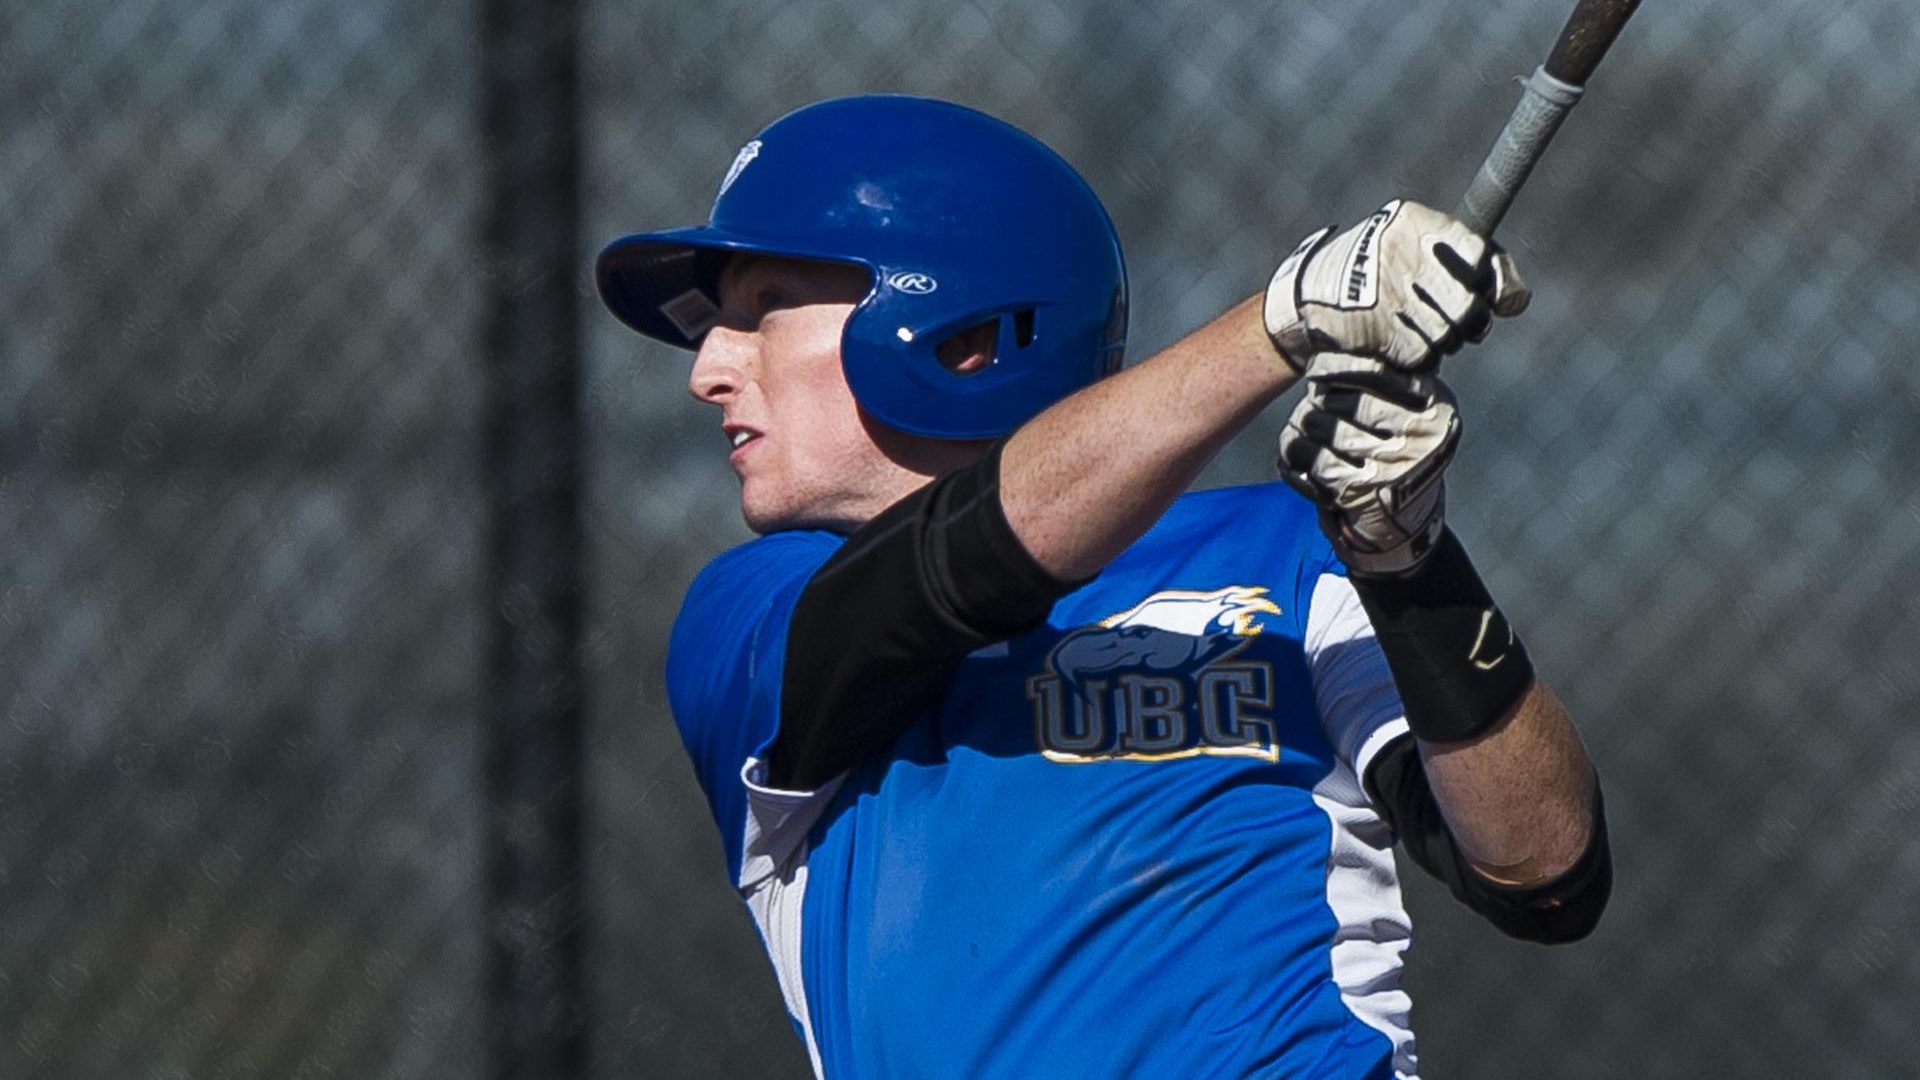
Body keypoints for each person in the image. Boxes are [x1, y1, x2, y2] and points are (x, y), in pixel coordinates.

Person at [596, 94, 1609, 1079]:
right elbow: (955, 568)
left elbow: (1544, 873)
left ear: (965, 337)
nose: (707, 371)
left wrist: (1409, 562)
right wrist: (1280, 323)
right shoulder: (754, 612)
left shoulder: (1287, 550)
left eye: (765, 307)